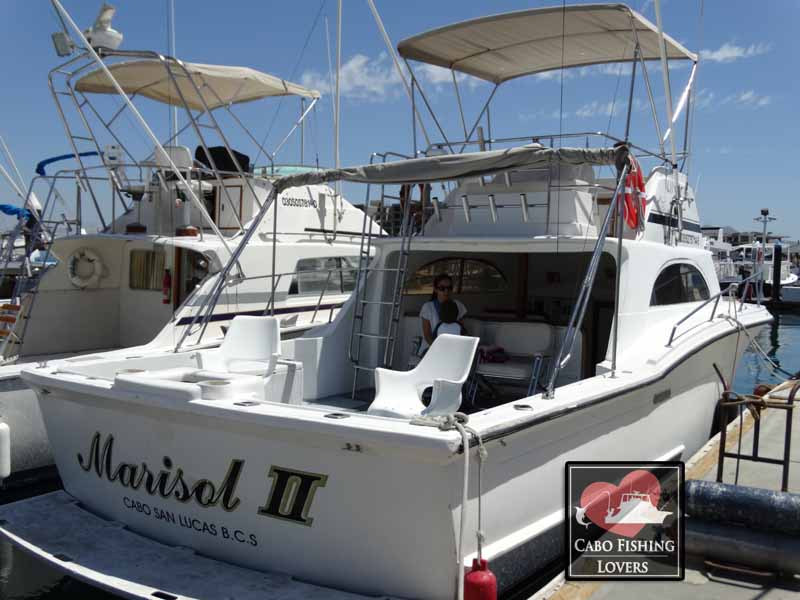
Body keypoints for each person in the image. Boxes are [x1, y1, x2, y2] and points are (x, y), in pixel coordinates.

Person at [419, 273, 467, 356]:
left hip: (453, 350)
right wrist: (439, 350)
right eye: (442, 288)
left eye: (449, 288)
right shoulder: (427, 307)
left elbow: (461, 333)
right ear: (435, 289)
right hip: (430, 348)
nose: (446, 291)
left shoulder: (458, 305)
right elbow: (427, 335)